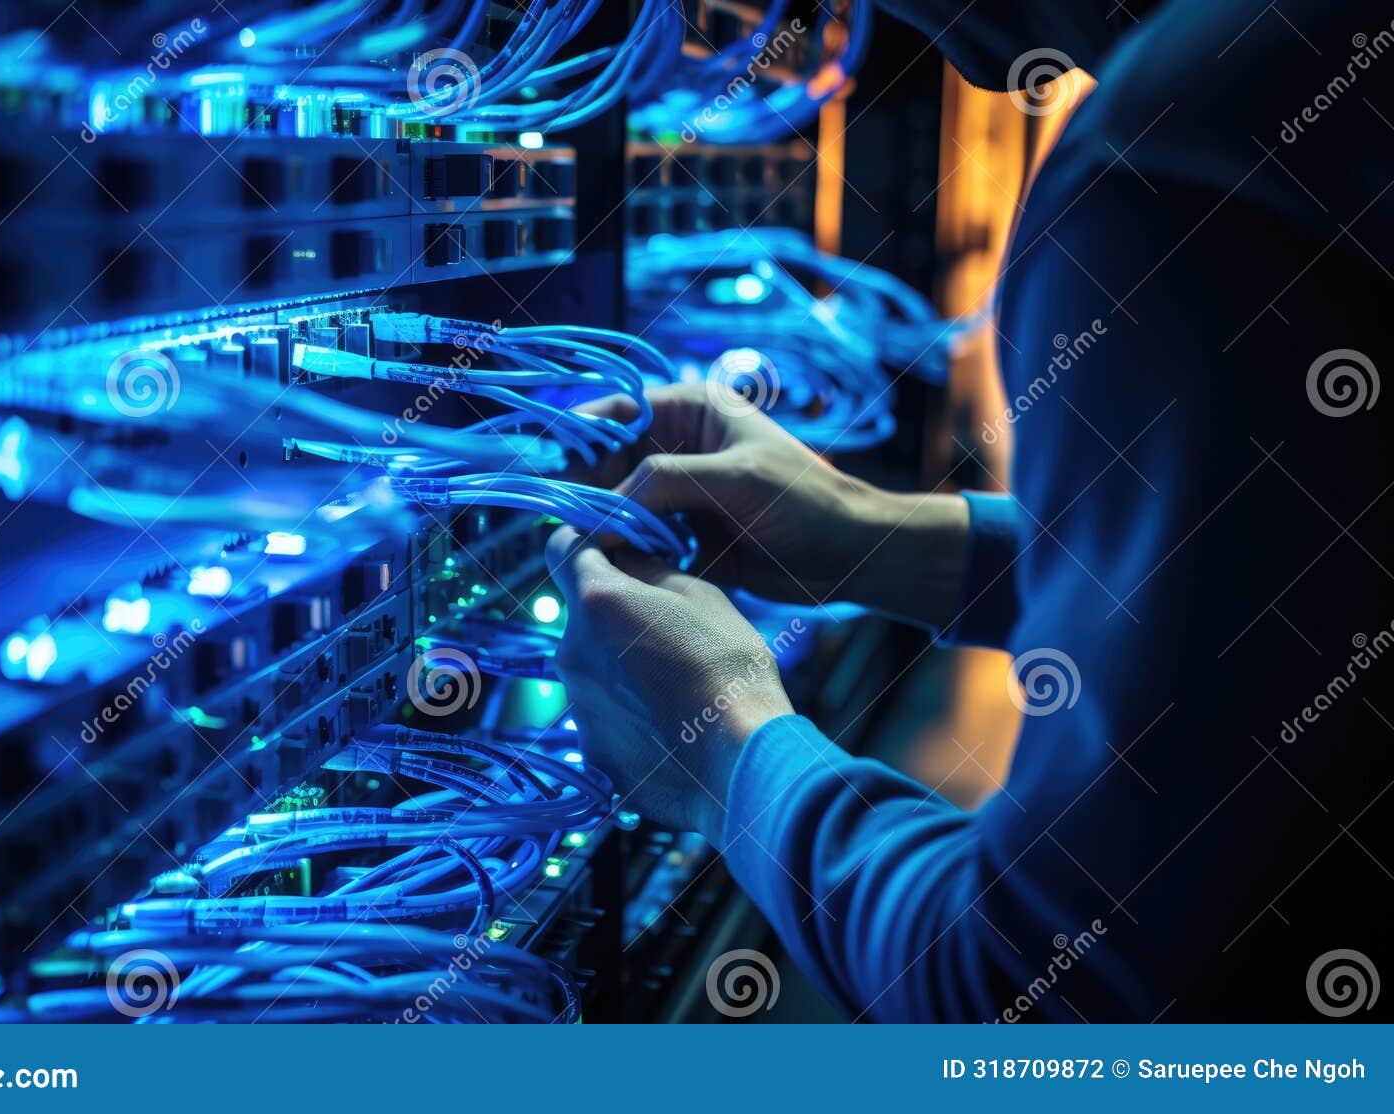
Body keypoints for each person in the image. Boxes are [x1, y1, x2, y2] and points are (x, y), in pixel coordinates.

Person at [549, 0, 1394, 1021]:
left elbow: (1057, 1004)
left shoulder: (1176, 164)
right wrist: (873, 539)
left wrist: (722, 749)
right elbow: (1295, 584)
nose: (889, 22)